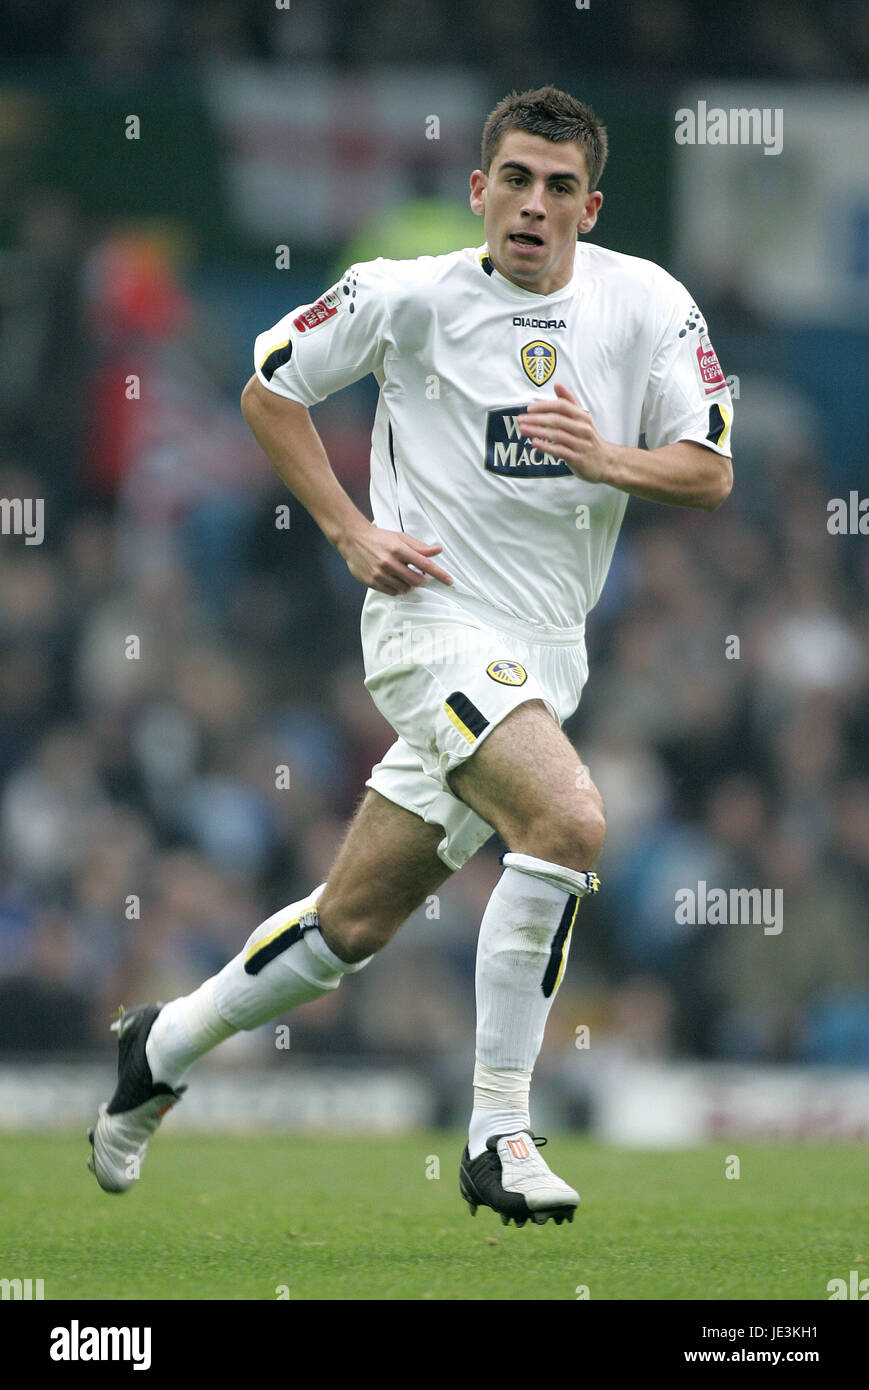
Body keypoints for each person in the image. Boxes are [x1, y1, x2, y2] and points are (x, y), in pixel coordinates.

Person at [89, 85, 733, 1227]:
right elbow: (267, 387)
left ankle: (163, 1043)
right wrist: (348, 529)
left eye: (559, 188)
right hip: (426, 625)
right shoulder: (407, 298)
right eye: (515, 182)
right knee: (571, 823)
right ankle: (498, 1128)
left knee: (352, 923)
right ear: (478, 190)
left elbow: (708, 468)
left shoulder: (648, 303)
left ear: (591, 207)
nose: (533, 206)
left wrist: (608, 458)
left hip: (544, 659)